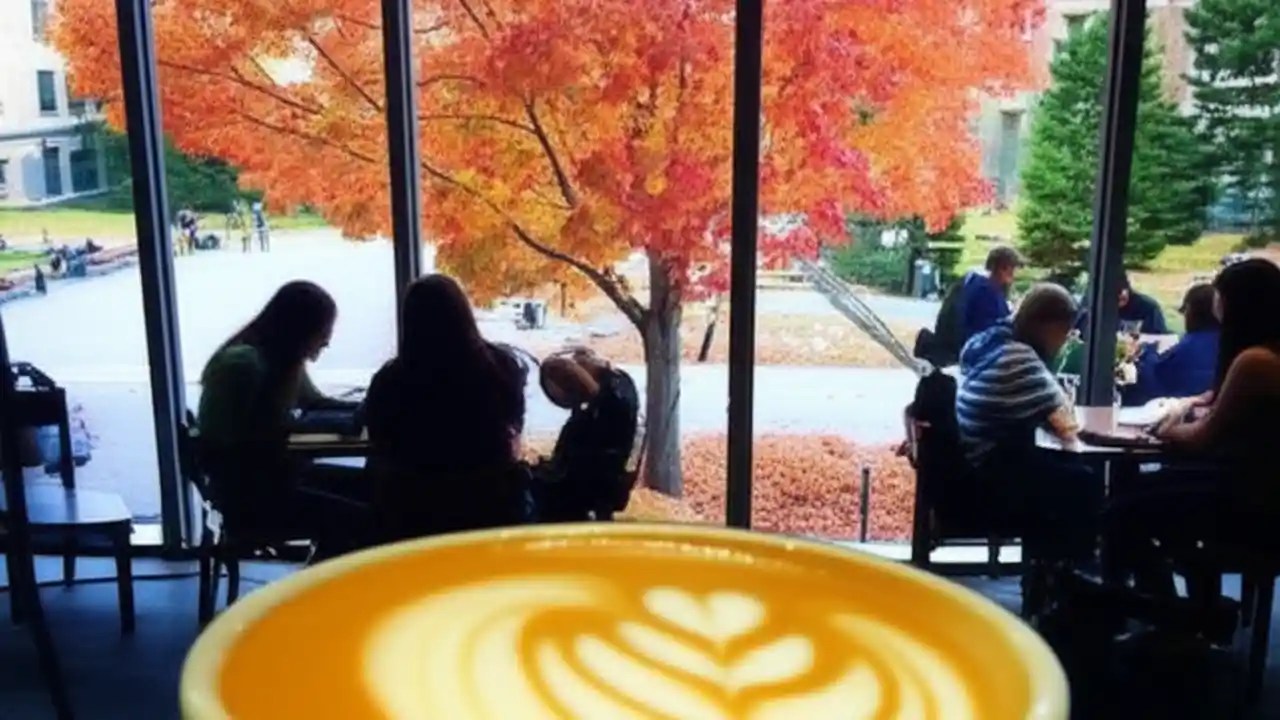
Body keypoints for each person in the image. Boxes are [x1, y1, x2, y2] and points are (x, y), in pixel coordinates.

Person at [1107, 259, 1280, 596]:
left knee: (1121, 512)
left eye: (1221, 295)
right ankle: (1198, 610)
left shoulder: (1255, 361)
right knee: (1146, 496)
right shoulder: (1267, 357)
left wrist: (1167, 425)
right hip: (1259, 495)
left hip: (1250, 505)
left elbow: (1202, 439)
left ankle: (1167, 615)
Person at [196, 281, 369, 556]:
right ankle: (323, 587)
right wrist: (350, 416)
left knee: (368, 491)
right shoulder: (244, 366)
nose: (327, 339)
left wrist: (362, 407)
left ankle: (323, 584)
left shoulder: (272, 358)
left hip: (262, 482)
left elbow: (313, 405)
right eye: (324, 329)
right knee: (362, 517)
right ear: (300, 329)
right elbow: (263, 436)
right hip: (252, 497)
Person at [364, 274, 530, 538]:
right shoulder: (501, 368)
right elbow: (514, 425)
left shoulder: (392, 381)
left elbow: (379, 440)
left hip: (413, 516)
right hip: (491, 509)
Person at [957, 284, 1100, 575]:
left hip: (974, 463)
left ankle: (1047, 578)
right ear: (1046, 325)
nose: (1065, 341)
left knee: (1068, 474)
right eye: (1065, 332)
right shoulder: (1018, 359)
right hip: (992, 481)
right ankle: (1073, 579)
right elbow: (1067, 422)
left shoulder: (988, 342)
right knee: (1084, 482)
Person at [534, 349, 640, 522]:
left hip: (579, 494)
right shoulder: (620, 384)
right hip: (593, 488)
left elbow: (571, 467)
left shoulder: (607, 405)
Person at [918, 246, 1022, 367]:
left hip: (955, 348)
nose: (1013, 276)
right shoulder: (988, 292)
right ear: (1001, 269)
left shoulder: (972, 282)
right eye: (1011, 269)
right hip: (969, 355)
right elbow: (995, 331)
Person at [1120, 283, 1219, 407]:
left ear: (1191, 311)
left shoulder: (1189, 346)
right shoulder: (1225, 342)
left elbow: (1156, 380)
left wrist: (1146, 352)